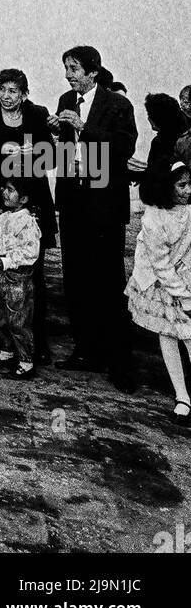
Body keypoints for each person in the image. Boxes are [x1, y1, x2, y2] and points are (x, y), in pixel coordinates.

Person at [49, 44, 138, 393]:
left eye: (74, 68)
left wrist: (83, 126)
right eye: (66, 68)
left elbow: (122, 149)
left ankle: (120, 363)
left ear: (93, 72)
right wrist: (57, 134)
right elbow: (63, 154)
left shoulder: (118, 104)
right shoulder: (64, 101)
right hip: (73, 200)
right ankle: (86, 351)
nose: (69, 74)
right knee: (77, 279)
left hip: (103, 204)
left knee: (108, 283)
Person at [0, 69, 57, 364]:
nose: (7, 96)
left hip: (30, 206)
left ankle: (36, 344)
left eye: (14, 91)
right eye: (3, 90)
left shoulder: (37, 115)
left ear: (24, 93)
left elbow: (53, 158)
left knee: (32, 278)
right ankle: (6, 345)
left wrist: (35, 152)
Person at [126, 159, 191, 420]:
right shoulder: (154, 217)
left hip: (186, 277)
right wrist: (184, 296)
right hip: (163, 282)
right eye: (182, 185)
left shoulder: (189, 211)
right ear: (167, 186)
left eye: (190, 184)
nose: (188, 191)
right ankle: (182, 395)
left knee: (188, 335)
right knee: (169, 334)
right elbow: (160, 264)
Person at [0, 177, 41, 379]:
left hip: (17, 278)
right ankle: (6, 350)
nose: (5, 192)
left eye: (11, 190)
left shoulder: (27, 222)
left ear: (24, 198)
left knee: (18, 320)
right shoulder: (5, 217)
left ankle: (26, 361)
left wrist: (7, 261)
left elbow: (30, 252)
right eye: (5, 188)